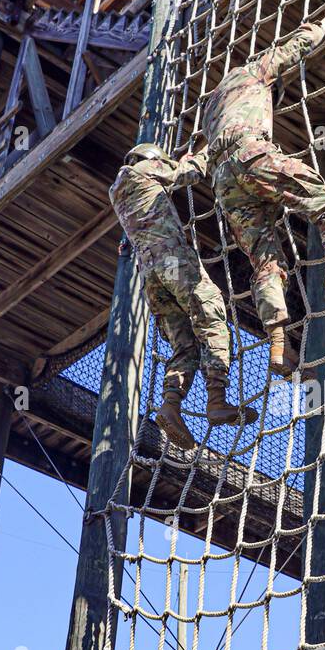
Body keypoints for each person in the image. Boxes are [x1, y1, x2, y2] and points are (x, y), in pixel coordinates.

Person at [199, 16, 325, 378]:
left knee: (267, 264)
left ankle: (279, 348)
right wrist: (322, 26)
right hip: (250, 152)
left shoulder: (210, 111)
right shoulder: (251, 73)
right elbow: (290, 50)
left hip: (222, 181)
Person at [109, 142, 254, 451]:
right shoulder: (141, 171)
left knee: (184, 343)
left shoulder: (118, 191)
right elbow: (187, 174)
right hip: (172, 262)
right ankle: (216, 398)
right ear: (151, 160)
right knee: (210, 311)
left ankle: (170, 405)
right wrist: (205, 153)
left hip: (151, 277)